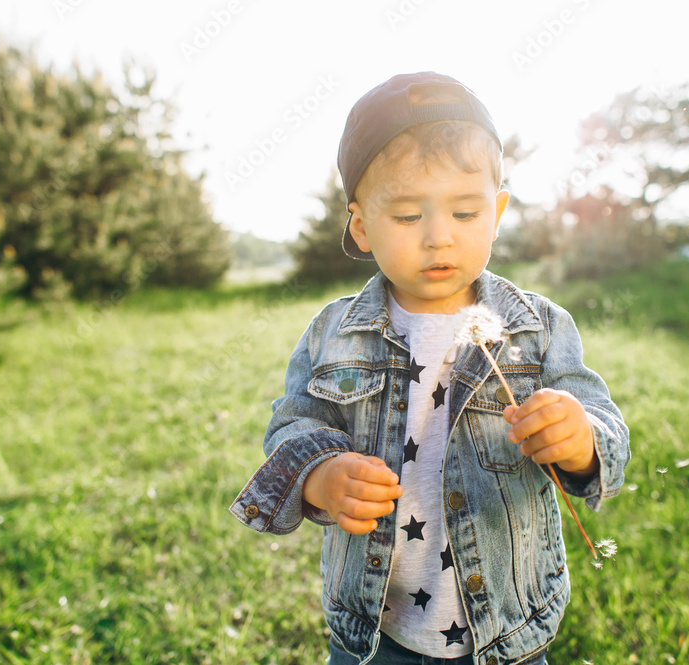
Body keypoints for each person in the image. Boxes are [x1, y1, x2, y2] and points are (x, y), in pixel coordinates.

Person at [230, 71, 630, 665]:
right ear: (361, 226)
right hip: (375, 628)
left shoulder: (538, 327)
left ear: (497, 212)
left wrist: (579, 438)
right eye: (407, 217)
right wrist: (322, 475)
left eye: (465, 213)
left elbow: (602, 425)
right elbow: (293, 427)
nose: (439, 238)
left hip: (508, 624)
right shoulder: (334, 333)